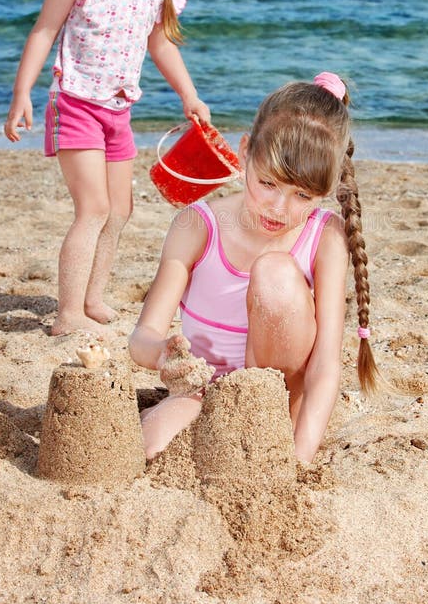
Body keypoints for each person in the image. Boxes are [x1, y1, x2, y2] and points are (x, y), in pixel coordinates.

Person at [4, 0, 209, 336]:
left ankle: (92, 296)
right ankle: (67, 311)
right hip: (74, 103)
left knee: (120, 210)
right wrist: (22, 95)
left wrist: (190, 95)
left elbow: (160, 46)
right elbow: (43, 33)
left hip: (118, 112)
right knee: (93, 209)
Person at [129, 72, 379, 464]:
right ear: (245, 152)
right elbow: (141, 337)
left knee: (275, 272)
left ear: (327, 190)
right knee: (149, 447)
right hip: (205, 392)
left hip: (276, 407)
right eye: (267, 183)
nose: (279, 209)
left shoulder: (326, 236)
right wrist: (161, 353)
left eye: (303, 195)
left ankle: (257, 424)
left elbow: (325, 367)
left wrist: (299, 459)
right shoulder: (197, 225)